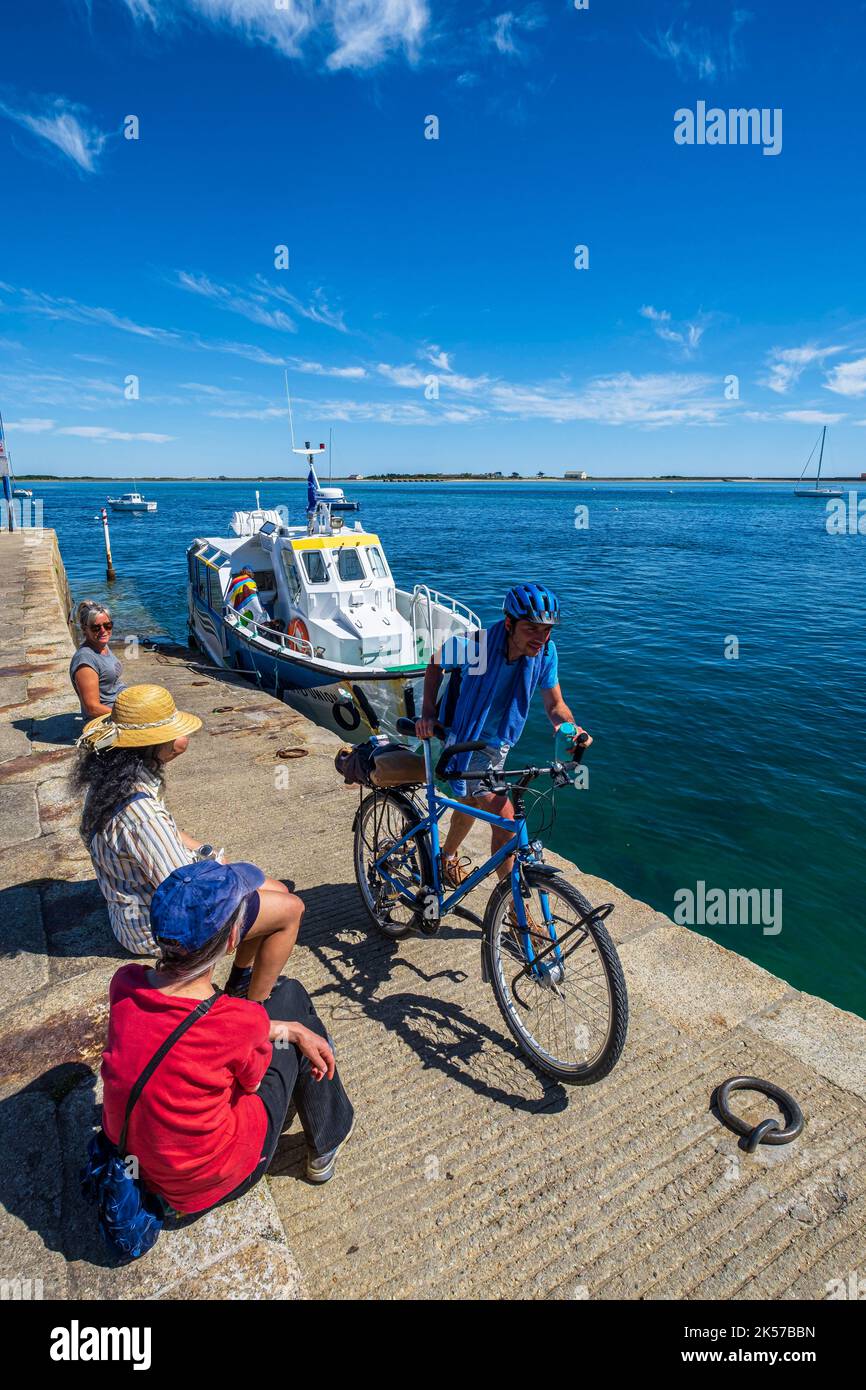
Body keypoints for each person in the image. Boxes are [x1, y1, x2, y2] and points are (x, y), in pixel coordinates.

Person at [100, 860, 355, 1214]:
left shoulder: (125, 984)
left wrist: (288, 1030)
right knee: (293, 998)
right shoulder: (237, 1020)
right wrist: (294, 1031)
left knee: (294, 1024)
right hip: (209, 1182)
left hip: (139, 1164)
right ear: (234, 938)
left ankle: (313, 1070)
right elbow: (249, 1083)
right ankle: (327, 1140)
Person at [73, 682, 303, 1000]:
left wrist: (210, 855)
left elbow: (171, 836)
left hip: (131, 906)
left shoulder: (115, 782)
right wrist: (228, 877)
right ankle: (254, 1008)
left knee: (273, 889)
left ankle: (240, 979)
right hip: (152, 926)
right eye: (172, 733)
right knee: (290, 909)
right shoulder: (141, 813)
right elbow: (185, 894)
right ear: (152, 744)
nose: (181, 740)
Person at [415, 583, 591, 907]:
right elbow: (435, 663)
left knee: (468, 806)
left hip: (499, 742)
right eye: (531, 629)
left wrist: (570, 728)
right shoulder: (476, 646)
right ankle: (513, 912)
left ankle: (447, 855)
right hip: (465, 739)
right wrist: (427, 713)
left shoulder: (545, 654)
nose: (541, 637)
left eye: (547, 630)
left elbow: (555, 705)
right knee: (506, 818)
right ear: (509, 624)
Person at [69, 600, 127, 719]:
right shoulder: (85, 660)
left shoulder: (102, 646)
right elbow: (92, 708)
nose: (103, 631)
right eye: (96, 628)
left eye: (107, 625)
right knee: (173, 736)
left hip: (122, 705)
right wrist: (128, 715)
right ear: (85, 629)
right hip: (108, 718)